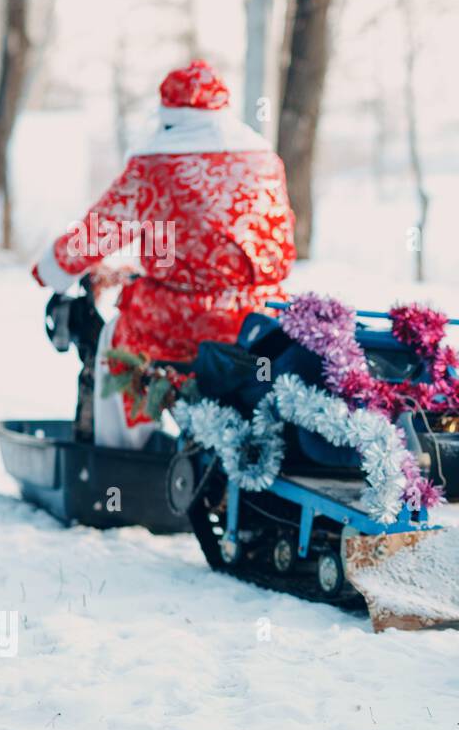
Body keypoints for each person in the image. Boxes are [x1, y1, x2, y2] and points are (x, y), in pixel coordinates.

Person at [30, 59, 297, 448]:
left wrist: (50, 268)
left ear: (169, 113)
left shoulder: (156, 162)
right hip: (259, 320)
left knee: (115, 345)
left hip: (182, 324)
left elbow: (101, 230)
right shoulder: (263, 159)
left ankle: (122, 460)